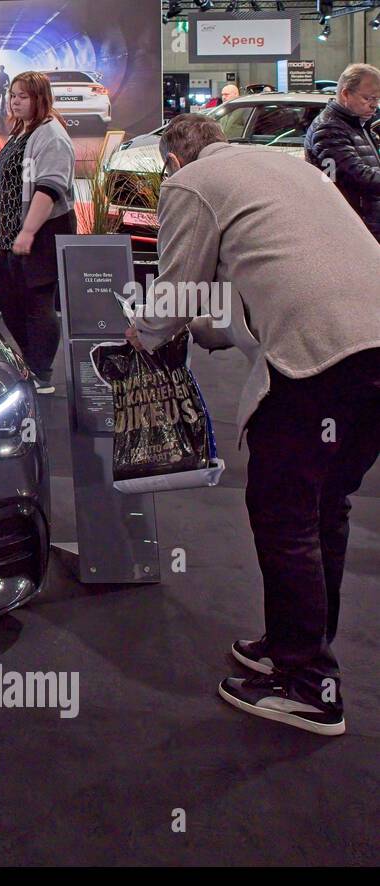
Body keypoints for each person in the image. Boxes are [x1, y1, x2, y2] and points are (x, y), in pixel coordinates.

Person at [125, 113, 380, 736]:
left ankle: (308, 688)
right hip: (370, 349)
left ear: (173, 164)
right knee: (325, 507)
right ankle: (296, 648)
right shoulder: (283, 169)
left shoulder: (192, 184)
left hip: (320, 357)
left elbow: (178, 295)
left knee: (284, 512)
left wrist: (141, 330)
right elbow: (248, 293)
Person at [0, 70, 76, 394]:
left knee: (38, 304)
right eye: (13, 95)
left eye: (22, 96)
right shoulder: (22, 131)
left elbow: (48, 189)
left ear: (40, 98)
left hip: (39, 236)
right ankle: (28, 361)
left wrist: (27, 232)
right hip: (8, 237)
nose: (15, 101)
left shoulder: (51, 135)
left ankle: (42, 373)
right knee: (10, 303)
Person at [305, 63, 380, 243]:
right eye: (369, 98)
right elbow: (355, 175)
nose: (374, 106)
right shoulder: (329, 128)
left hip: (364, 223)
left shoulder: (357, 124)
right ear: (346, 94)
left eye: (377, 100)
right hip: (352, 227)